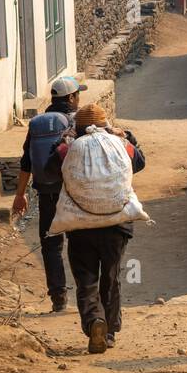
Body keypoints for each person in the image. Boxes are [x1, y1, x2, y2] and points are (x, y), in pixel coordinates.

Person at [45, 103, 145, 354]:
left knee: (86, 279)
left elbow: (49, 171)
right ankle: (109, 333)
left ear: (77, 128)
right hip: (117, 224)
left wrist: (62, 140)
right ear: (106, 126)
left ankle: (94, 321)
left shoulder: (69, 148)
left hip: (81, 226)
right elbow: (140, 162)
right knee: (111, 278)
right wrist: (126, 136)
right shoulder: (120, 144)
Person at [11, 75, 86, 312]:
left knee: (51, 246)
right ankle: (85, 294)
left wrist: (20, 195)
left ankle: (58, 298)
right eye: (78, 95)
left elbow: (26, 162)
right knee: (79, 243)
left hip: (47, 195)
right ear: (71, 97)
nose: (78, 99)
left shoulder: (37, 124)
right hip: (73, 194)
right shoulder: (77, 121)